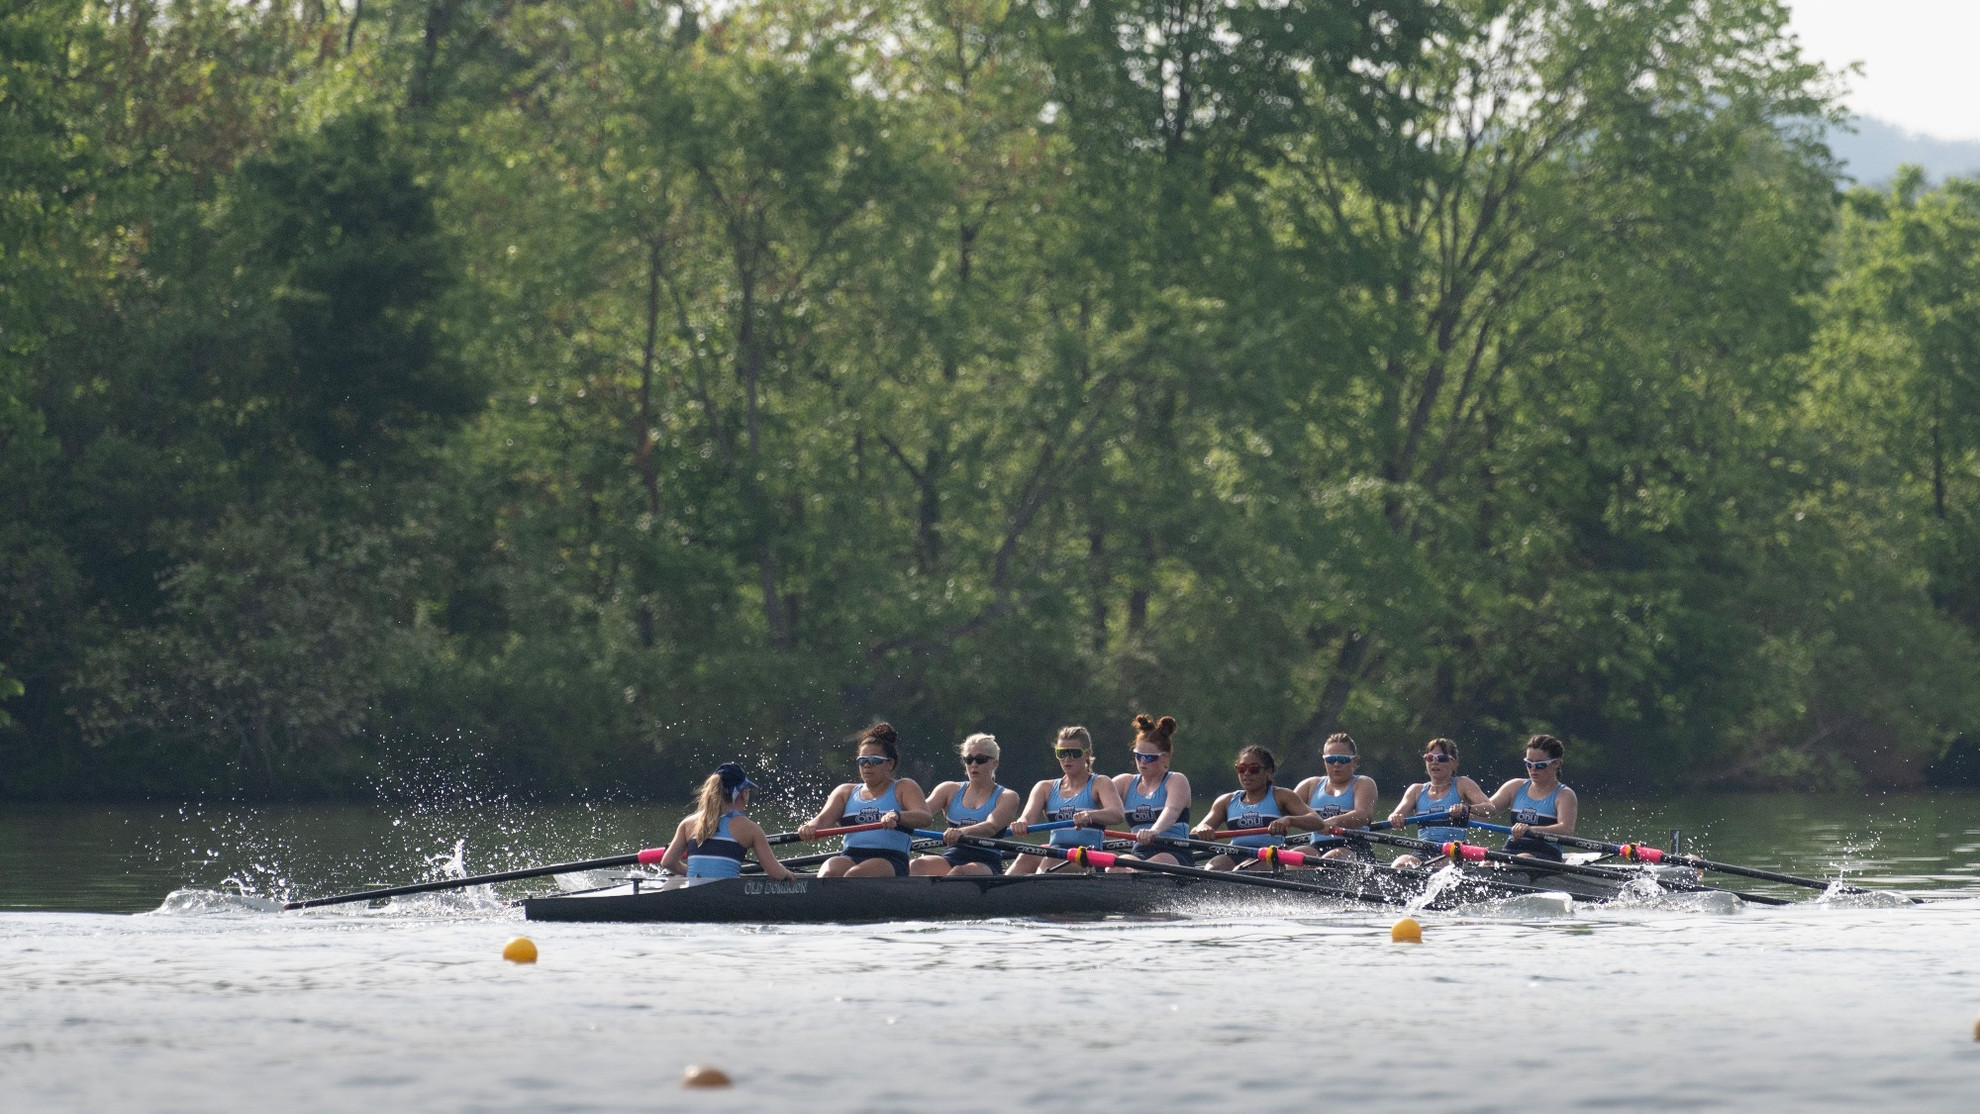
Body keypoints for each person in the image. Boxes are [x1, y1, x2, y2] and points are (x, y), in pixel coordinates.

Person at [798, 723, 934, 878]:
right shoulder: (845, 792)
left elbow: (925, 817)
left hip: (890, 860)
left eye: (874, 760)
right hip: (850, 856)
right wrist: (809, 828)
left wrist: (897, 816)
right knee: (828, 872)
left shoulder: (904, 787)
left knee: (855, 876)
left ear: (890, 764)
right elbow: (822, 820)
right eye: (862, 761)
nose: (867, 766)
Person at [1008, 726, 1127, 874]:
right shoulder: (1044, 788)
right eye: (1062, 753)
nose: (1067, 759)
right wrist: (1020, 824)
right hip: (1056, 852)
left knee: (1049, 861)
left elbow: (1117, 814)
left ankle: (1037, 889)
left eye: (1074, 753)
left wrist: (1090, 815)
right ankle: (1000, 893)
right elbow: (1027, 819)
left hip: (1089, 857)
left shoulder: (1100, 783)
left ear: (1087, 754)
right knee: (1026, 856)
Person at [658, 762, 797, 884]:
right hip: (727, 900)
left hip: (692, 897)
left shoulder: (688, 823)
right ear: (742, 794)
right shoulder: (751, 829)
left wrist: (692, 873)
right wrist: (787, 874)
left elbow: (667, 862)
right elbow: (775, 873)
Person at [911, 733, 1022, 877]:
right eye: (969, 760)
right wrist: (896, 816)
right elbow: (920, 814)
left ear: (995, 763)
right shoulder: (948, 790)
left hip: (986, 860)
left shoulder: (1007, 796)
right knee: (916, 865)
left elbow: (991, 826)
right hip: (953, 855)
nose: (974, 764)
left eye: (980, 759)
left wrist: (962, 832)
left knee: (959, 872)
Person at [1192, 745, 1316, 871]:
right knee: (1213, 868)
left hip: (1269, 856)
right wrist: (1203, 829)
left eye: (1253, 769)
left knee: (1244, 870)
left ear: (1268, 772)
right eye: (1241, 768)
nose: (1246, 773)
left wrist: (1289, 820)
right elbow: (1196, 832)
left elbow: (1317, 821)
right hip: (1235, 853)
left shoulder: (1281, 796)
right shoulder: (1226, 801)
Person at [1386, 738, 1492, 869]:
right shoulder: (1416, 790)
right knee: (1399, 865)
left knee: (1435, 869)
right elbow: (1394, 815)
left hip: (1453, 851)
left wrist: (1466, 809)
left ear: (1454, 763)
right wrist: (1395, 818)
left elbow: (1489, 809)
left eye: (1441, 758)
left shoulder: (1462, 784)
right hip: (1422, 850)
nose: (1435, 762)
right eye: (1430, 758)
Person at [1478, 734, 1579, 861]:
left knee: (1519, 860)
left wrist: (1530, 829)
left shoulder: (1565, 795)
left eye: (1540, 765)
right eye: (1529, 764)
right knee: (1485, 864)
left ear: (1556, 764)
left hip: (1546, 853)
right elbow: (1487, 811)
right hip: (1512, 849)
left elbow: (1566, 829)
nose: (1533, 769)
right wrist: (1465, 811)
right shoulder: (1514, 787)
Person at [1111, 714, 1194, 868]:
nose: (1142, 761)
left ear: (1165, 757)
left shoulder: (1176, 780)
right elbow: (1096, 800)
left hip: (1175, 853)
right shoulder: (1125, 782)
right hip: (1140, 853)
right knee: (1114, 867)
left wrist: (1154, 831)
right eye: (1138, 756)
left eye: (1149, 758)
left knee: (1144, 868)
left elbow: (1171, 810)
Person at [1290, 732, 1378, 861]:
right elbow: (1282, 809)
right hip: (1317, 847)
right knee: (1293, 856)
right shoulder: (1309, 785)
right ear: (1324, 761)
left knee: (1332, 858)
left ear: (1354, 761)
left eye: (1342, 759)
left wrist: (1332, 822)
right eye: (1331, 759)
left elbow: (1363, 815)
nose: (1336, 764)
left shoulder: (1363, 783)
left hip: (1354, 847)